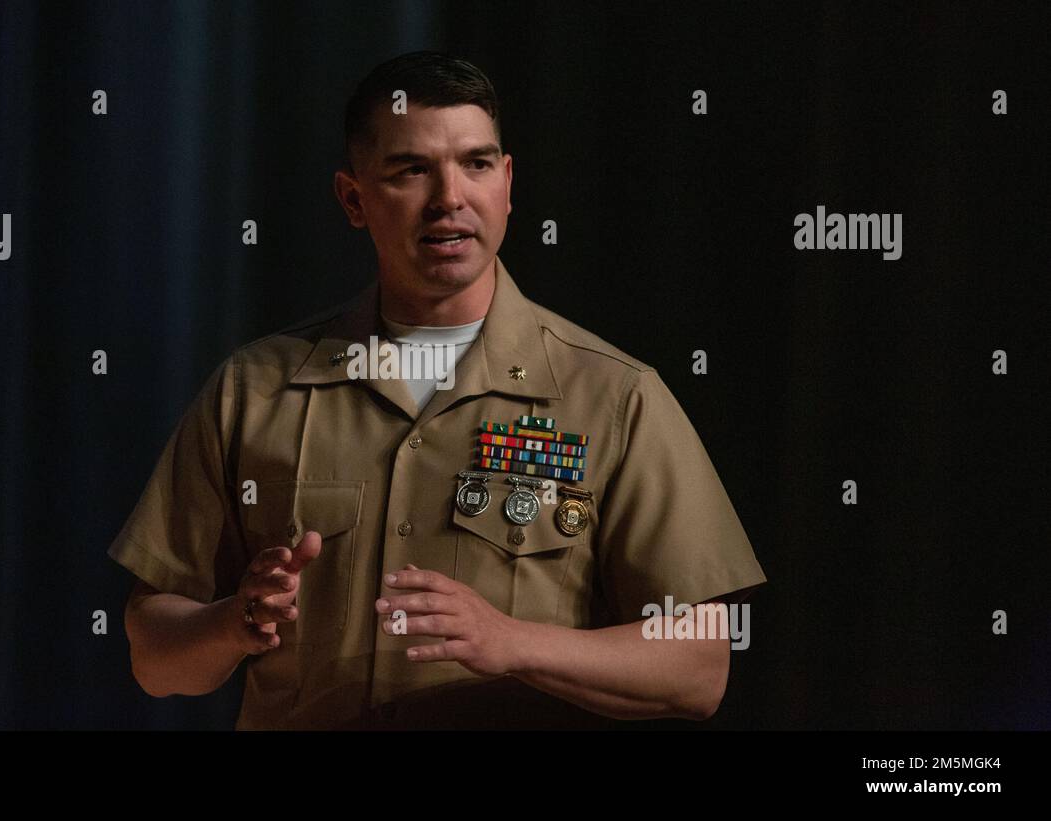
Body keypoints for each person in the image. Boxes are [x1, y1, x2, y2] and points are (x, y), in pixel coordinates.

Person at [108, 51, 767, 729]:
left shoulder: (614, 396)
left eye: (477, 164)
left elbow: (698, 662)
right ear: (354, 199)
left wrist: (513, 642)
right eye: (412, 170)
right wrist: (234, 621)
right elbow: (152, 656)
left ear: (508, 184)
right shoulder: (254, 391)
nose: (449, 197)